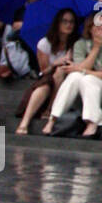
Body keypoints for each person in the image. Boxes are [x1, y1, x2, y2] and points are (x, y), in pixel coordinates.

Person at [46, 11, 102, 138]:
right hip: (82, 94)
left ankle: (92, 122)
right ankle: (53, 118)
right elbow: (77, 72)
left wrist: (82, 71)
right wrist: (95, 48)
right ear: (90, 28)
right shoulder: (80, 44)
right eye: (97, 26)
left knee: (87, 79)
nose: (101, 29)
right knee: (75, 77)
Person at [17, 7, 79, 135]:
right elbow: (44, 71)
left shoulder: (76, 44)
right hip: (47, 78)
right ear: (58, 23)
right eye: (65, 21)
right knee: (44, 86)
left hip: (67, 80)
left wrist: (70, 59)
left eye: (71, 22)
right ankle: (25, 122)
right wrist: (55, 63)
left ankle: (50, 109)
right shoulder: (45, 43)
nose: (68, 25)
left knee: (60, 72)